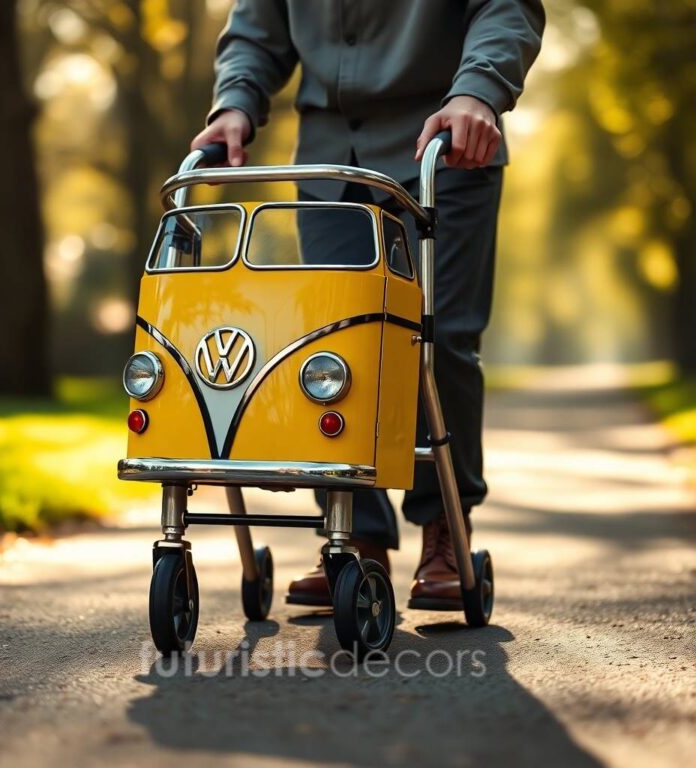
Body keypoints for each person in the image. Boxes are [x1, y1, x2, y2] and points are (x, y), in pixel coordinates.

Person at [192, 0, 545, 608]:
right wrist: (235, 104)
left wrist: (480, 90)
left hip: (446, 143)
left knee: (440, 341)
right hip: (331, 160)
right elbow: (257, 28)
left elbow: (505, 8)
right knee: (330, 348)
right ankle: (354, 536)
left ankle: (445, 532)